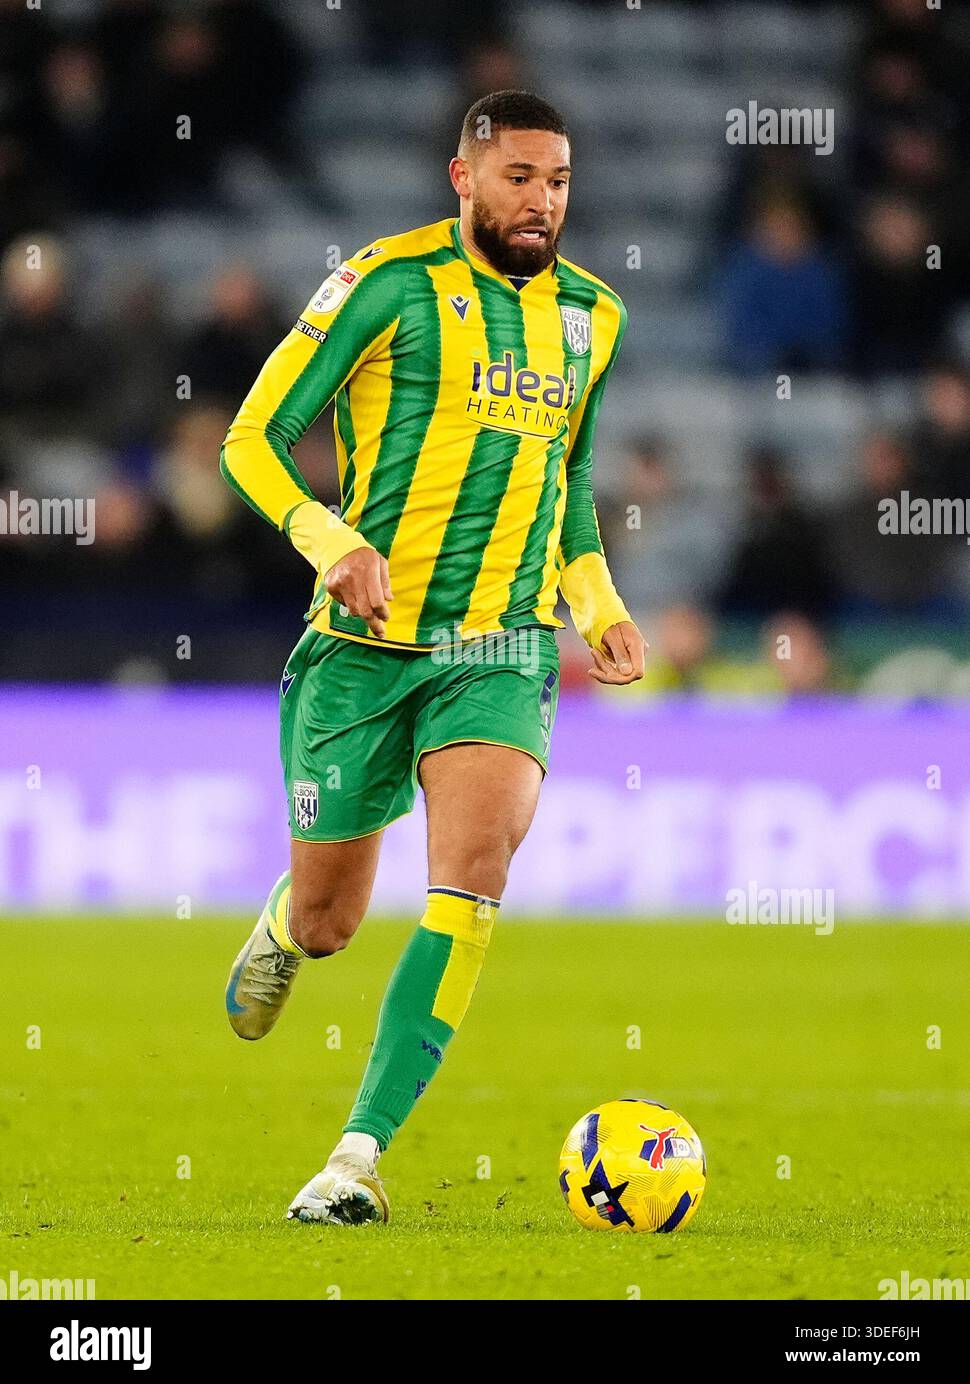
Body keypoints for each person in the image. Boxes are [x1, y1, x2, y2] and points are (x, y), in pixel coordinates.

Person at [219, 90, 646, 1225]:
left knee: (471, 875)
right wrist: (332, 538)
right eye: (518, 178)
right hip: (360, 652)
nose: (541, 201)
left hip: (501, 650)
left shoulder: (592, 318)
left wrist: (595, 601)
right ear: (463, 178)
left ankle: (353, 1157)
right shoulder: (385, 285)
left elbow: (568, 485)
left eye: (556, 181)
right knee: (330, 921)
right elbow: (249, 438)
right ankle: (279, 925)